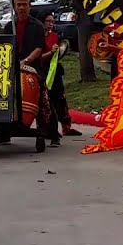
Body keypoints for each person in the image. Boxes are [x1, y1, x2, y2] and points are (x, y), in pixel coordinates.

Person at [0, 0, 47, 145]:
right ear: (14, 7)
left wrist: (25, 61)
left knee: (42, 99)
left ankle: (47, 131)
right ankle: (4, 132)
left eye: (24, 4)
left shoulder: (37, 26)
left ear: (29, 6)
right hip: (12, 70)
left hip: (32, 68)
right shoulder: (9, 26)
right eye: (18, 4)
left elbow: (39, 48)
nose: (21, 7)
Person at [39, 11, 79, 146]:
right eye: (48, 21)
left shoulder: (55, 36)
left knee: (59, 98)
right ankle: (45, 129)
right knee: (45, 101)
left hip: (55, 71)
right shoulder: (37, 37)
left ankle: (66, 126)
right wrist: (50, 53)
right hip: (42, 71)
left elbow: (59, 53)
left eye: (52, 21)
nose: (51, 24)